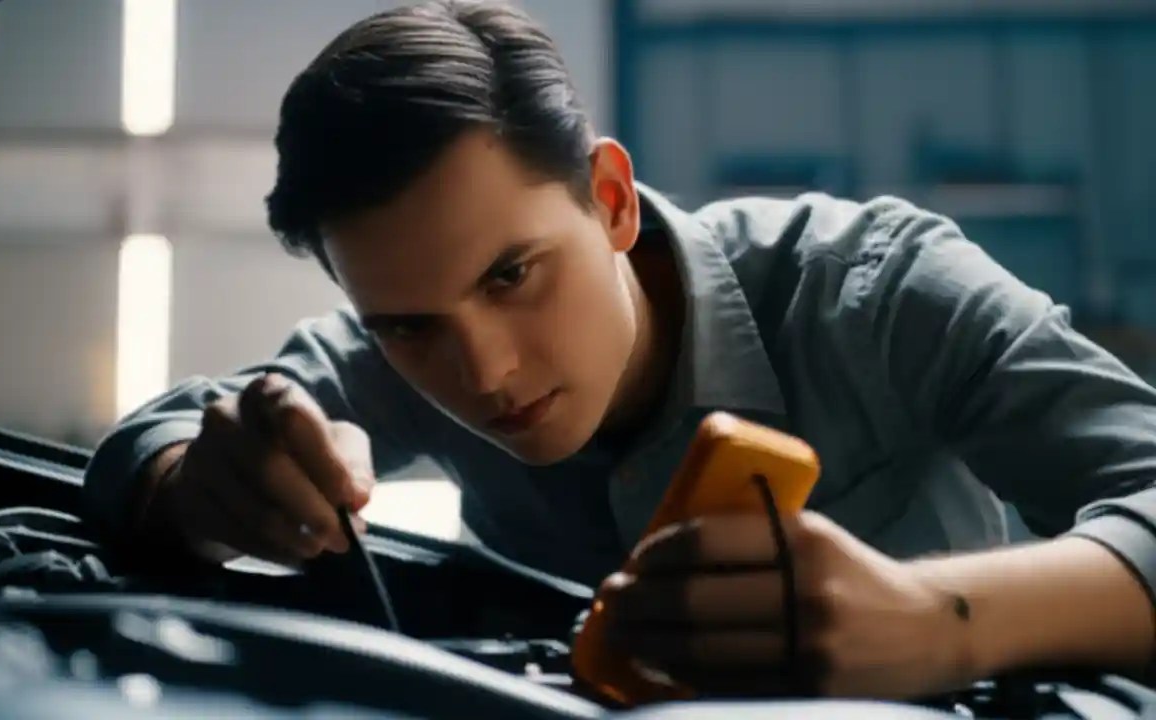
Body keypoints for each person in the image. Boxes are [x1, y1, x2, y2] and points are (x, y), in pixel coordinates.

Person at [83, 0, 1156, 701]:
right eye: (406, 327)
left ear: (606, 197)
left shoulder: (876, 291)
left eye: (513, 275)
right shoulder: (398, 349)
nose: (485, 373)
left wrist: (939, 626)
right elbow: (170, 432)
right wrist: (193, 484)